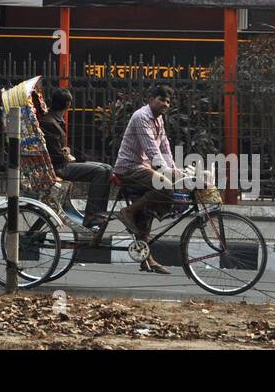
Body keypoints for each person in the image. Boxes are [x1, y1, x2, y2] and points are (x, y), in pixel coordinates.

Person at [113, 84, 182, 274]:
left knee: (148, 212)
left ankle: (146, 258)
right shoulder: (141, 117)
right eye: (162, 99)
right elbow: (152, 149)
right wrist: (166, 173)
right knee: (165, 187)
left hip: (143, 168)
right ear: (151, 99)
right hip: (129, 168)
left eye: (168, 101)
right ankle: (127, 212)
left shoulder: (158, 119)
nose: (165, 104)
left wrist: (174, 169)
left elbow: (165, 146)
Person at [38, 86, 113, 240]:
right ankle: (92, 217)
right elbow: (56, 156)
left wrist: (65, 152)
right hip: (59, 168)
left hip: (62, 163)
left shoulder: (54, 120)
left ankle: (97, 214)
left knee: (106, 168)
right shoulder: (49, 122)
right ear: (68, 104)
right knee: (100, 171)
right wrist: (67, 155)